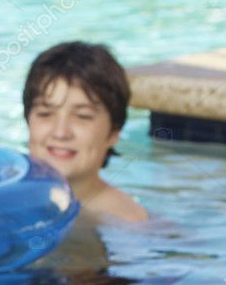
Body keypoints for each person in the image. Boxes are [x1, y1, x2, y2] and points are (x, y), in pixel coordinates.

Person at [24, 41, 148, 223]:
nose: (60, 132)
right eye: (45, 113)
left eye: (82, 116)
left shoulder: (127, 222)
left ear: (114, 132)